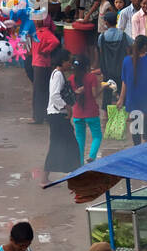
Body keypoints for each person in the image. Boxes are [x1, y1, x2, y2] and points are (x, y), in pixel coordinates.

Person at [41, 48, 80, 182]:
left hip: (57, 114)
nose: (70, 64)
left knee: (66, 144)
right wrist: (67, 107)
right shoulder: (57, 75)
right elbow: (55, 96)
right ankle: (46, 176)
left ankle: (74, 173)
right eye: (69, 61)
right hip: (58, 115)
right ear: (62, 62)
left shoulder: (58, 74)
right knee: (62, 145)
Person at [116, 34, 147, 146]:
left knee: (135, 127)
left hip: (132, 99)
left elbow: (124, 82)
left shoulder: (126, 60)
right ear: (145, 46)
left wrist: (121, 99)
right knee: (146, 122)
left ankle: (137, 148)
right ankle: (145, 141)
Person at [69, 55, 112, 163]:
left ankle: (79, 163)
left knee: (80, 140)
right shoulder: (92, 77)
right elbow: (94, 95)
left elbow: (70, 96)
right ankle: (92, 156)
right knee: (97, 136)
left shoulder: (71, 79)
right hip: (91, 113)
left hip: (77, 114)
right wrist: (103, 87)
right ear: (87, 66)